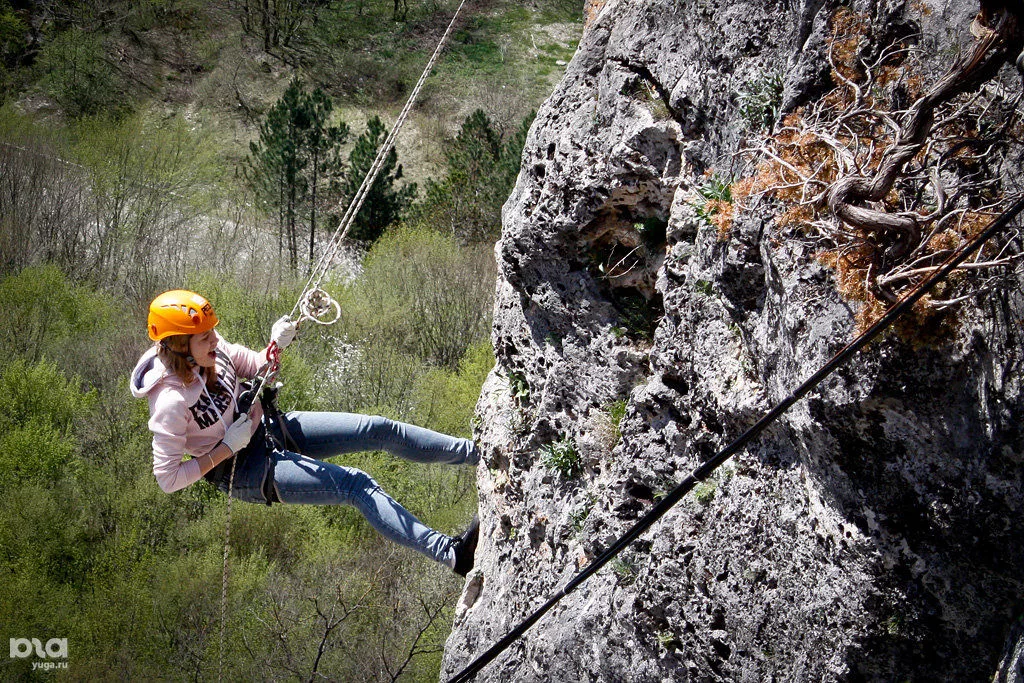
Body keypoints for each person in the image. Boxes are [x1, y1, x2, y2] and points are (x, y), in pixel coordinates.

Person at [130, 289, 480, 575]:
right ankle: (452, 555)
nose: (215, 339)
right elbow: (168, 479)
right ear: (179, 345)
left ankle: (476, 453)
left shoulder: (214, 350)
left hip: (266, 427)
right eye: (204, 336)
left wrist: (276, 343)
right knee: (355, 485)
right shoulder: (170, 402)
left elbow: (256, 366)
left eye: (212, 331)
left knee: (376, 428)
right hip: (245, 470)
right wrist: (225, 447)